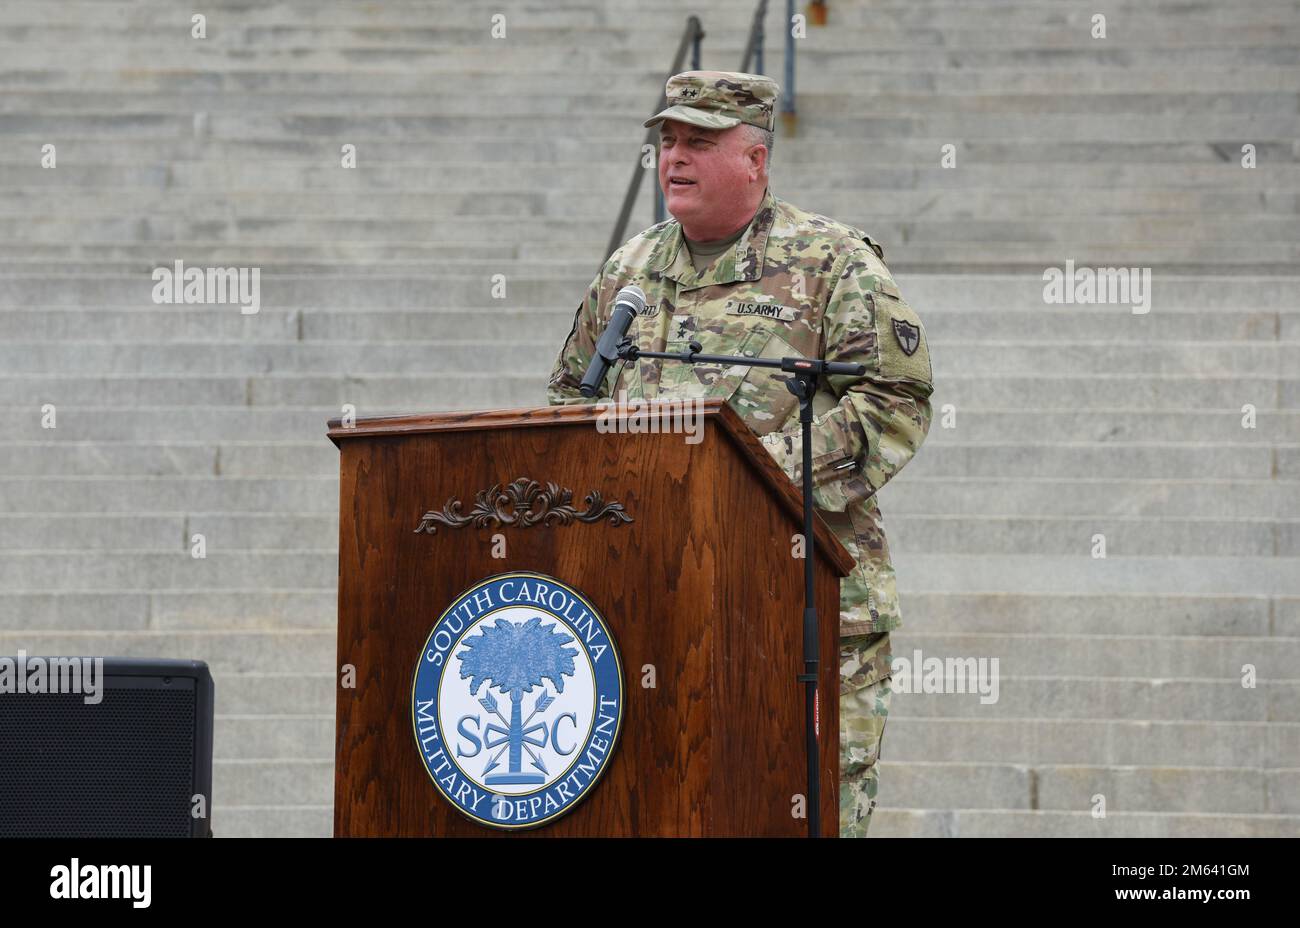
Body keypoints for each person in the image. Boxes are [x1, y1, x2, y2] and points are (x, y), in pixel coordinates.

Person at [546, 70, 933, 836]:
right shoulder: (629, 271)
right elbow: (566, 402)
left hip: (801, 604)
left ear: (754, 160)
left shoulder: (832, 262)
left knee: (802, 811)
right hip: (651, 604)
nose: (674, 158)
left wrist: (749, 482)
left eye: (699, 142)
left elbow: (895, 400)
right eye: (668, 141)